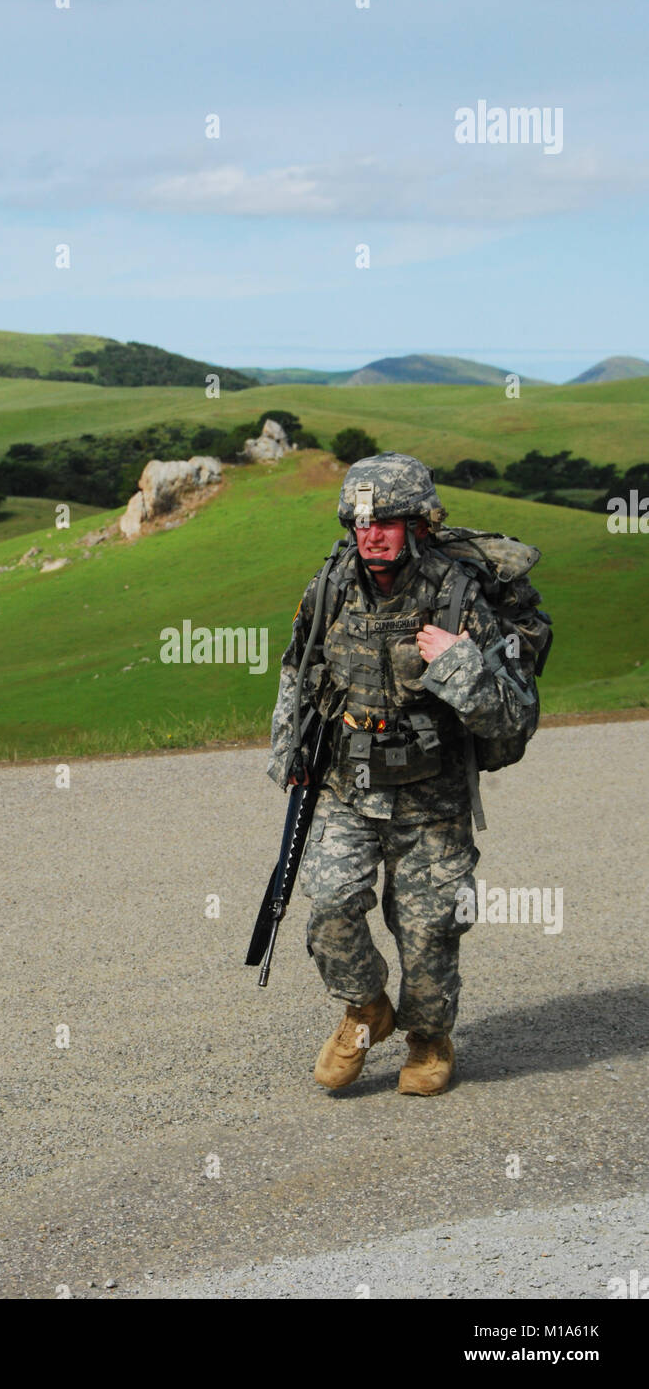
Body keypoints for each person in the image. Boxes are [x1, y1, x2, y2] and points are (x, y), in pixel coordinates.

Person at [267, 453, 538, 1095]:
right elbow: (298, 671)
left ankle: (428, 1039)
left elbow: (514, 716)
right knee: (329, 902)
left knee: (429, 930)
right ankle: (366, 1010)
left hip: (431, 797)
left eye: (386, 522)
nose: (372, 535)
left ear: (419, 524)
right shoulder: (332, 584)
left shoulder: (458, 596)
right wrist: (290, 756)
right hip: (347, 784)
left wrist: (459, 664)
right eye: (361, 523)